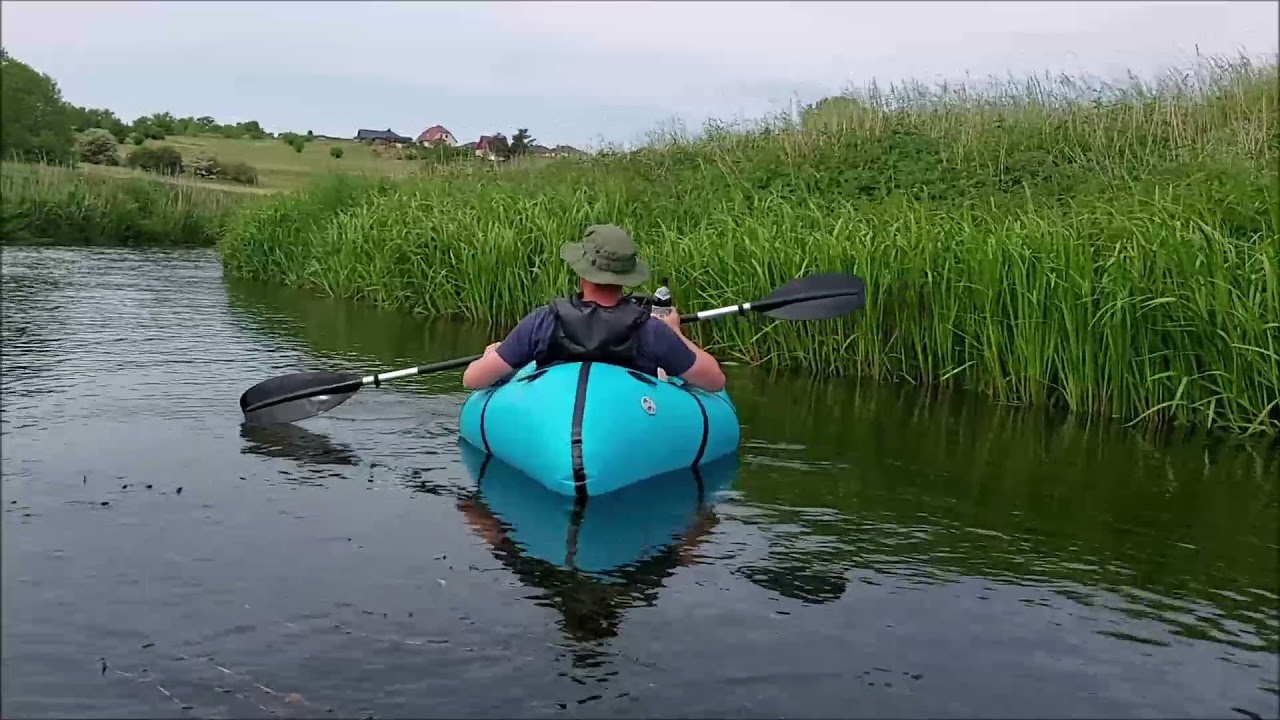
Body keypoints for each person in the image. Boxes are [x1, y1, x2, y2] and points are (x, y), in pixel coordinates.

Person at [461, 224, 726, 392]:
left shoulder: (544, 321)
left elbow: (472, 380)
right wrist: (676, 332)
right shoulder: (651, 330)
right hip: (627, 418)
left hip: (554, 413)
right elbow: (714, 381)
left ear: (582, 272)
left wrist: (490, 355)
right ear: (627, 278)